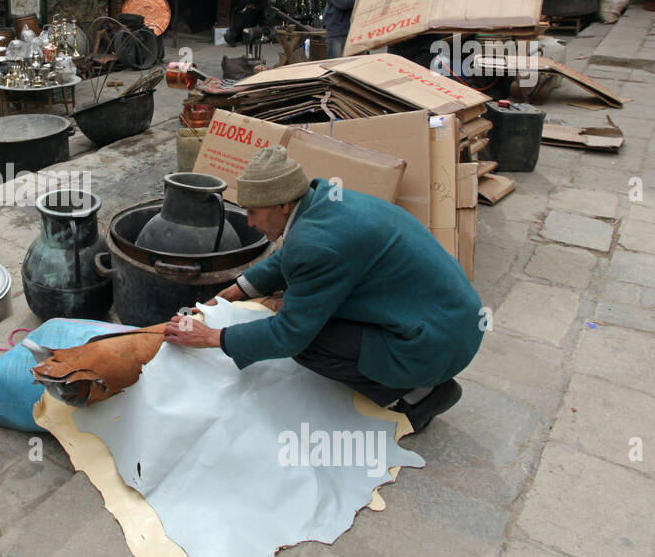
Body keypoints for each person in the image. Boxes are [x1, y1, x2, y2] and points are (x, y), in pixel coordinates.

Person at [163, 146, 482, 434]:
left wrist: (211, 337)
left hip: (436, 342)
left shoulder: (316, 244)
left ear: (284, 205)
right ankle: (416, 376)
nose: (249, 223)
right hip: (451, 320)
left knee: (309, 344)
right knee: (317, 320)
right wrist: (225, 297)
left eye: (254, 212)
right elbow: (285, 260)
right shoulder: (324, 204)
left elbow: (289, 335)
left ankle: (420, 393)